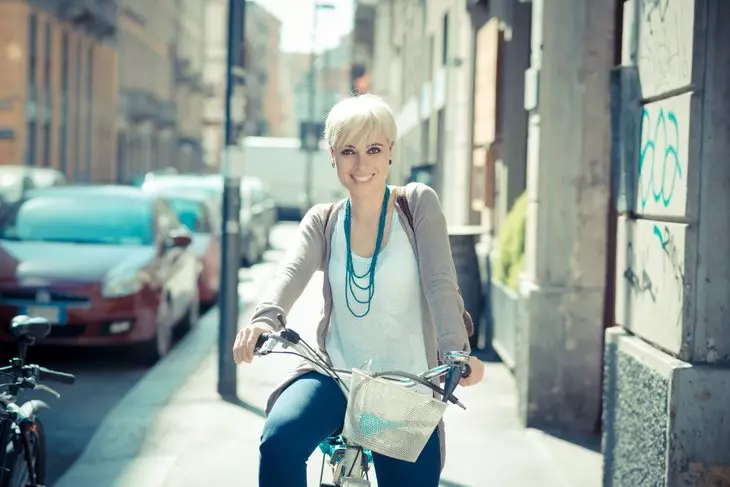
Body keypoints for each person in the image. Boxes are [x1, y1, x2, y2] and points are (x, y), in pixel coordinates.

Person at [232, 93, 485, 487]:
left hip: (403, 388)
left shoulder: (416, 204)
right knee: (279, 440)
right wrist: (263, 320)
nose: (362, 164)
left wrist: (457, 352)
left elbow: (441, 283)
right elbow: (290, 273)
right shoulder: (325, 219)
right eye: (349, 151)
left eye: (373, 149)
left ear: (390, 153)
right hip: (334, 375)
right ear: (332, 155)